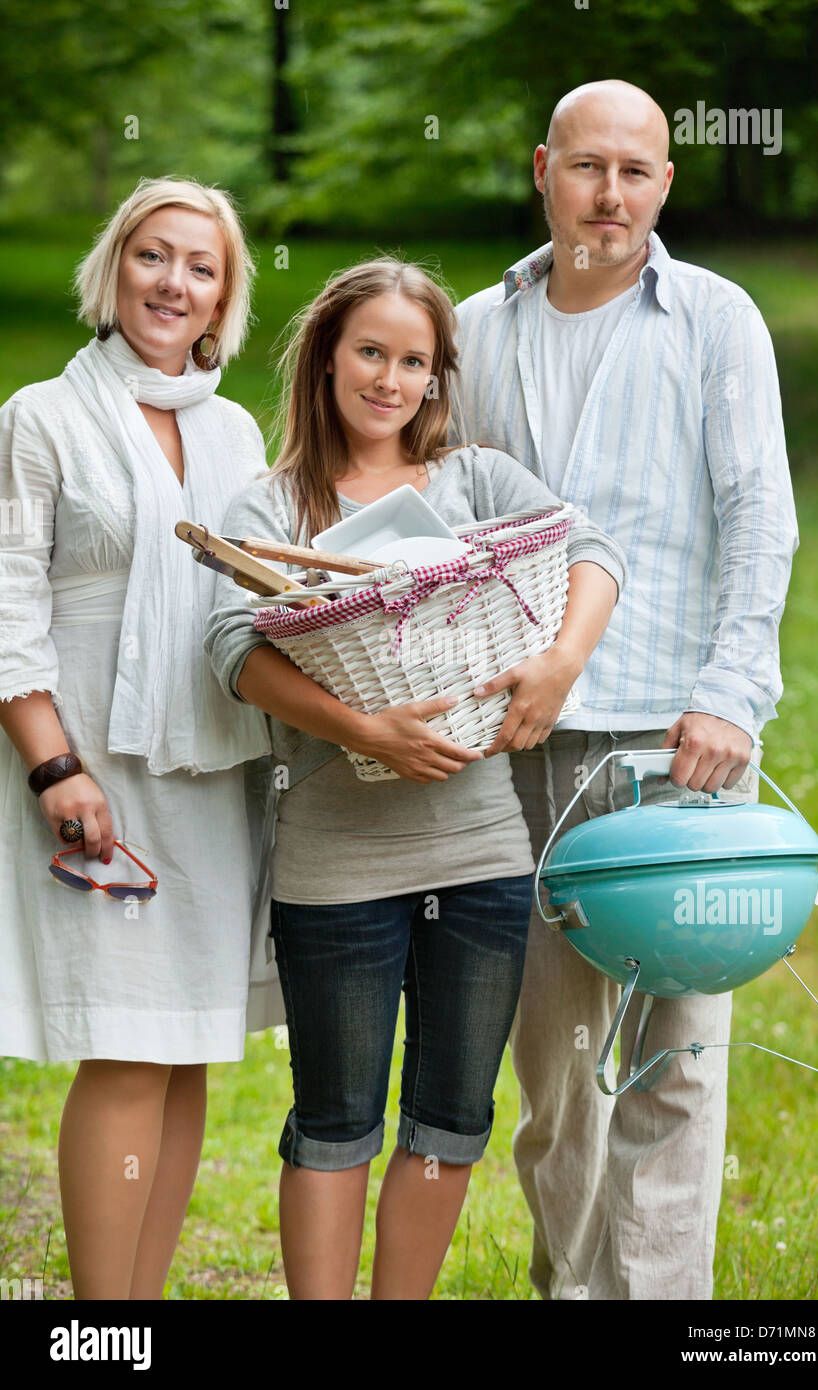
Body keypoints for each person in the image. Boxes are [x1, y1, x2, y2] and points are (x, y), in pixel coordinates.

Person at [204, 257, 628, 1300]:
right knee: (334, 1119)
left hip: (480, 854)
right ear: (326, 356)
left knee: (448, 1114)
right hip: (334, 863)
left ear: (438, 377)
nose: (390, 379)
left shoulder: (476, 481)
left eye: (415, 362)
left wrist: (558, 660)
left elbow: (593, 547)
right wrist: (363, 727)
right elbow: (227, 647)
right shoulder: (269, 504)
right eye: (369, 352)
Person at [450, 79, 799, 1300]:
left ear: (664, 184)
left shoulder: (713, 318)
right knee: (551, 1078)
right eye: (587, 167)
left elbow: (759, 516)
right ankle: (570, 1288)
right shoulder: (471, 329)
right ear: (541, 166)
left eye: (635, 173)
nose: (609, 196)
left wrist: (728, 696)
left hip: (674, 739)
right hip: (515, 741)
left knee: (673, 1061)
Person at [0, 176, 283, 1300]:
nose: (174, 282)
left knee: (185, 1045)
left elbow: (260, 599)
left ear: (224, 298)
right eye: (153, 256)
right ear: (114, 270)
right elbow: (7, 601)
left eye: (200, 267)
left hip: (217, 769)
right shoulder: (40, 415)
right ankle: (98, 1326)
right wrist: (51, 762)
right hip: (91, 765)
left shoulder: (235, 431)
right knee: (124, 1045)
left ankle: (140, 1319)